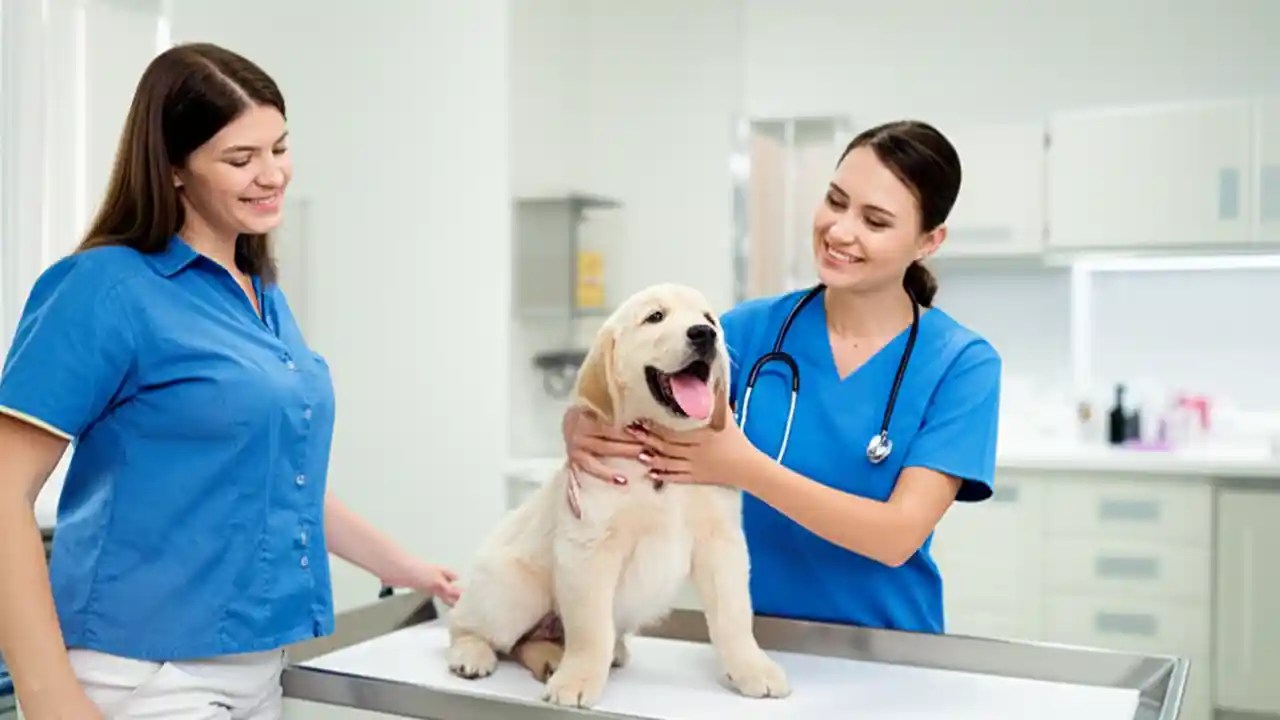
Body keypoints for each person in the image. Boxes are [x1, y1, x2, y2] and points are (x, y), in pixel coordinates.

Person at [0, 43, 460, 719]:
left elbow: (270, 474)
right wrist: (50, 699)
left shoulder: (261, 295)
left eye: (279, 147)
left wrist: (399, 566)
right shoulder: (104, 290)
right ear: (174, 170)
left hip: (259, 672)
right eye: (241, 159)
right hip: (146, 678)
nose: (272, 174)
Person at [563, 120, 1001, 636]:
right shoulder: (747, 333)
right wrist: (582, 424)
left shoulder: (962, 364)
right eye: (836, 202)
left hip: (891, 652)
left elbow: (897, 535)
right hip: (750, 643)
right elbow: (637, 402)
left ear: (929, 241)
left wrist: (746, 468)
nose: (840, 231)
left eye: (875, 221)